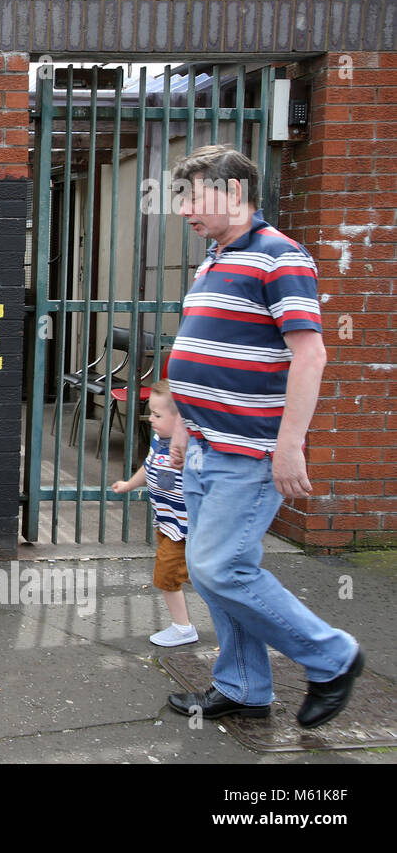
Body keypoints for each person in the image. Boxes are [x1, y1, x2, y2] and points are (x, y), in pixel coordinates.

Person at [162, 145, 363, 728]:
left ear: (232, 193)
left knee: (222, 568)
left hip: (249, 452)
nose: (185, 211)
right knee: (210, 571)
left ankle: (333, 657)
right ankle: (245, 687)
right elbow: (205, 350)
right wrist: (183, 427)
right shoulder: (214, 260)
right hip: (204, 446)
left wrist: (290, 444)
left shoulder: (281, 257)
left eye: (195, 197)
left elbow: (310, 354)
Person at [112, 381, 196, 647]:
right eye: (152, 413)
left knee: (166, 577)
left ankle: (183, 628)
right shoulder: (160, 441)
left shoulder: (191, 449)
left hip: (185, 529)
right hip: (166, 523)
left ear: (181, 418)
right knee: (194, 576)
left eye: (158, 415)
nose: (151, 419)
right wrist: (129, 485)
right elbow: (149, 469)